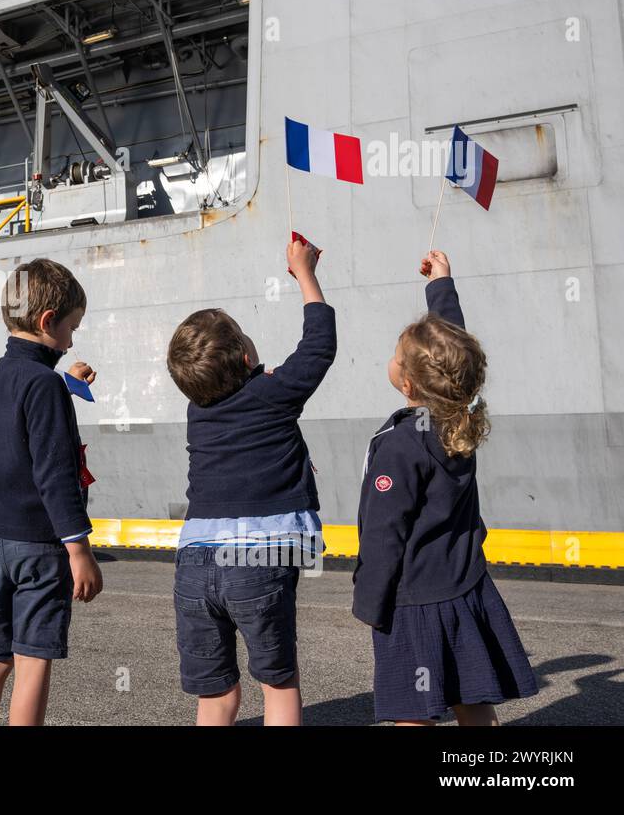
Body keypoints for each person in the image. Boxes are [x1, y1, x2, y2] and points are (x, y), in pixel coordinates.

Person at [352, 250, 537, 726]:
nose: (391, 362)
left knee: (412, 713)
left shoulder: (400, 447)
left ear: (408, 383)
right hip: (464, 588)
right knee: (471, 698)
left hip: (411, 603)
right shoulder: (458, 418)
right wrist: (441, 287)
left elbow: (383, 533)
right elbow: (454, 357)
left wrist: (371, 602)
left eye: (396, 359)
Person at [164, 237, 334, 726]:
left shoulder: (198, 413)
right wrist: (305, 273)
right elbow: (320, 345)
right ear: (244, 357)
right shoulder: (272, 393)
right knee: (278, 685)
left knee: (216, 697)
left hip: (194, 565)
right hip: (259, 561)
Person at [0, 258, 102, 726]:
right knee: (32, 659)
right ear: (47, 322)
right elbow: (55, 475)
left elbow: (15, 430)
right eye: (71, 327)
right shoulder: (45, 386)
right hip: (38, 548)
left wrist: (64, 384)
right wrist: (78, 548)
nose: (71, 339)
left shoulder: (4, 371)